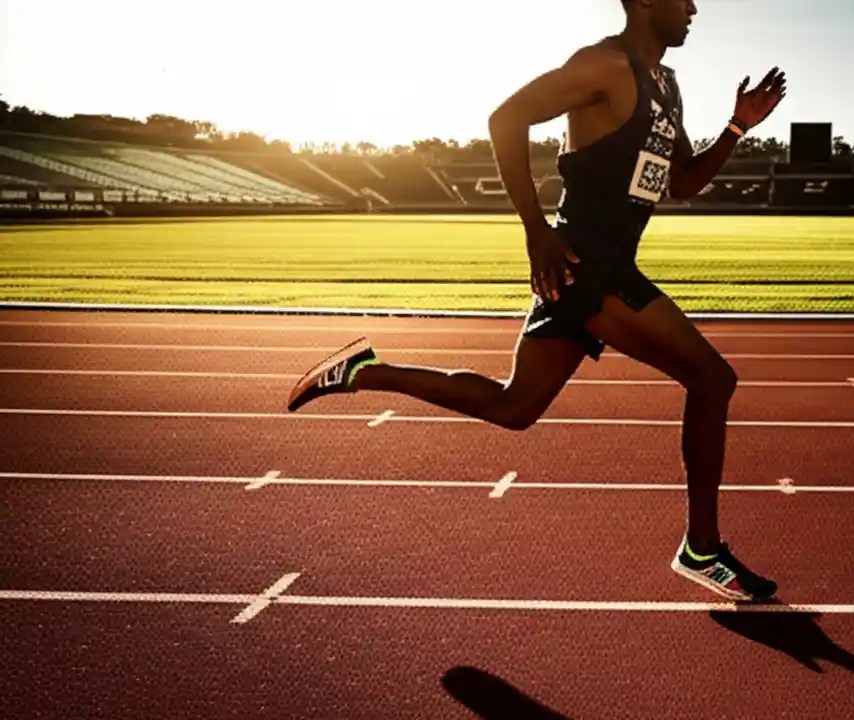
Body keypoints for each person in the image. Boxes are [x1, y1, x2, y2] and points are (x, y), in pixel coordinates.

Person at [286, 0, 787, 602]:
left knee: (514, 406)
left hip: (602, 264)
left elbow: (682, 182)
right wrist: (535, 229)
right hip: (584, 263)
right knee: (712, 380)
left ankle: (366, 371)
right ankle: (701, 549)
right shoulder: (604, 66)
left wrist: (736, 128)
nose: (694, 7)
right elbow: (507, 118)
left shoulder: (665, 86)